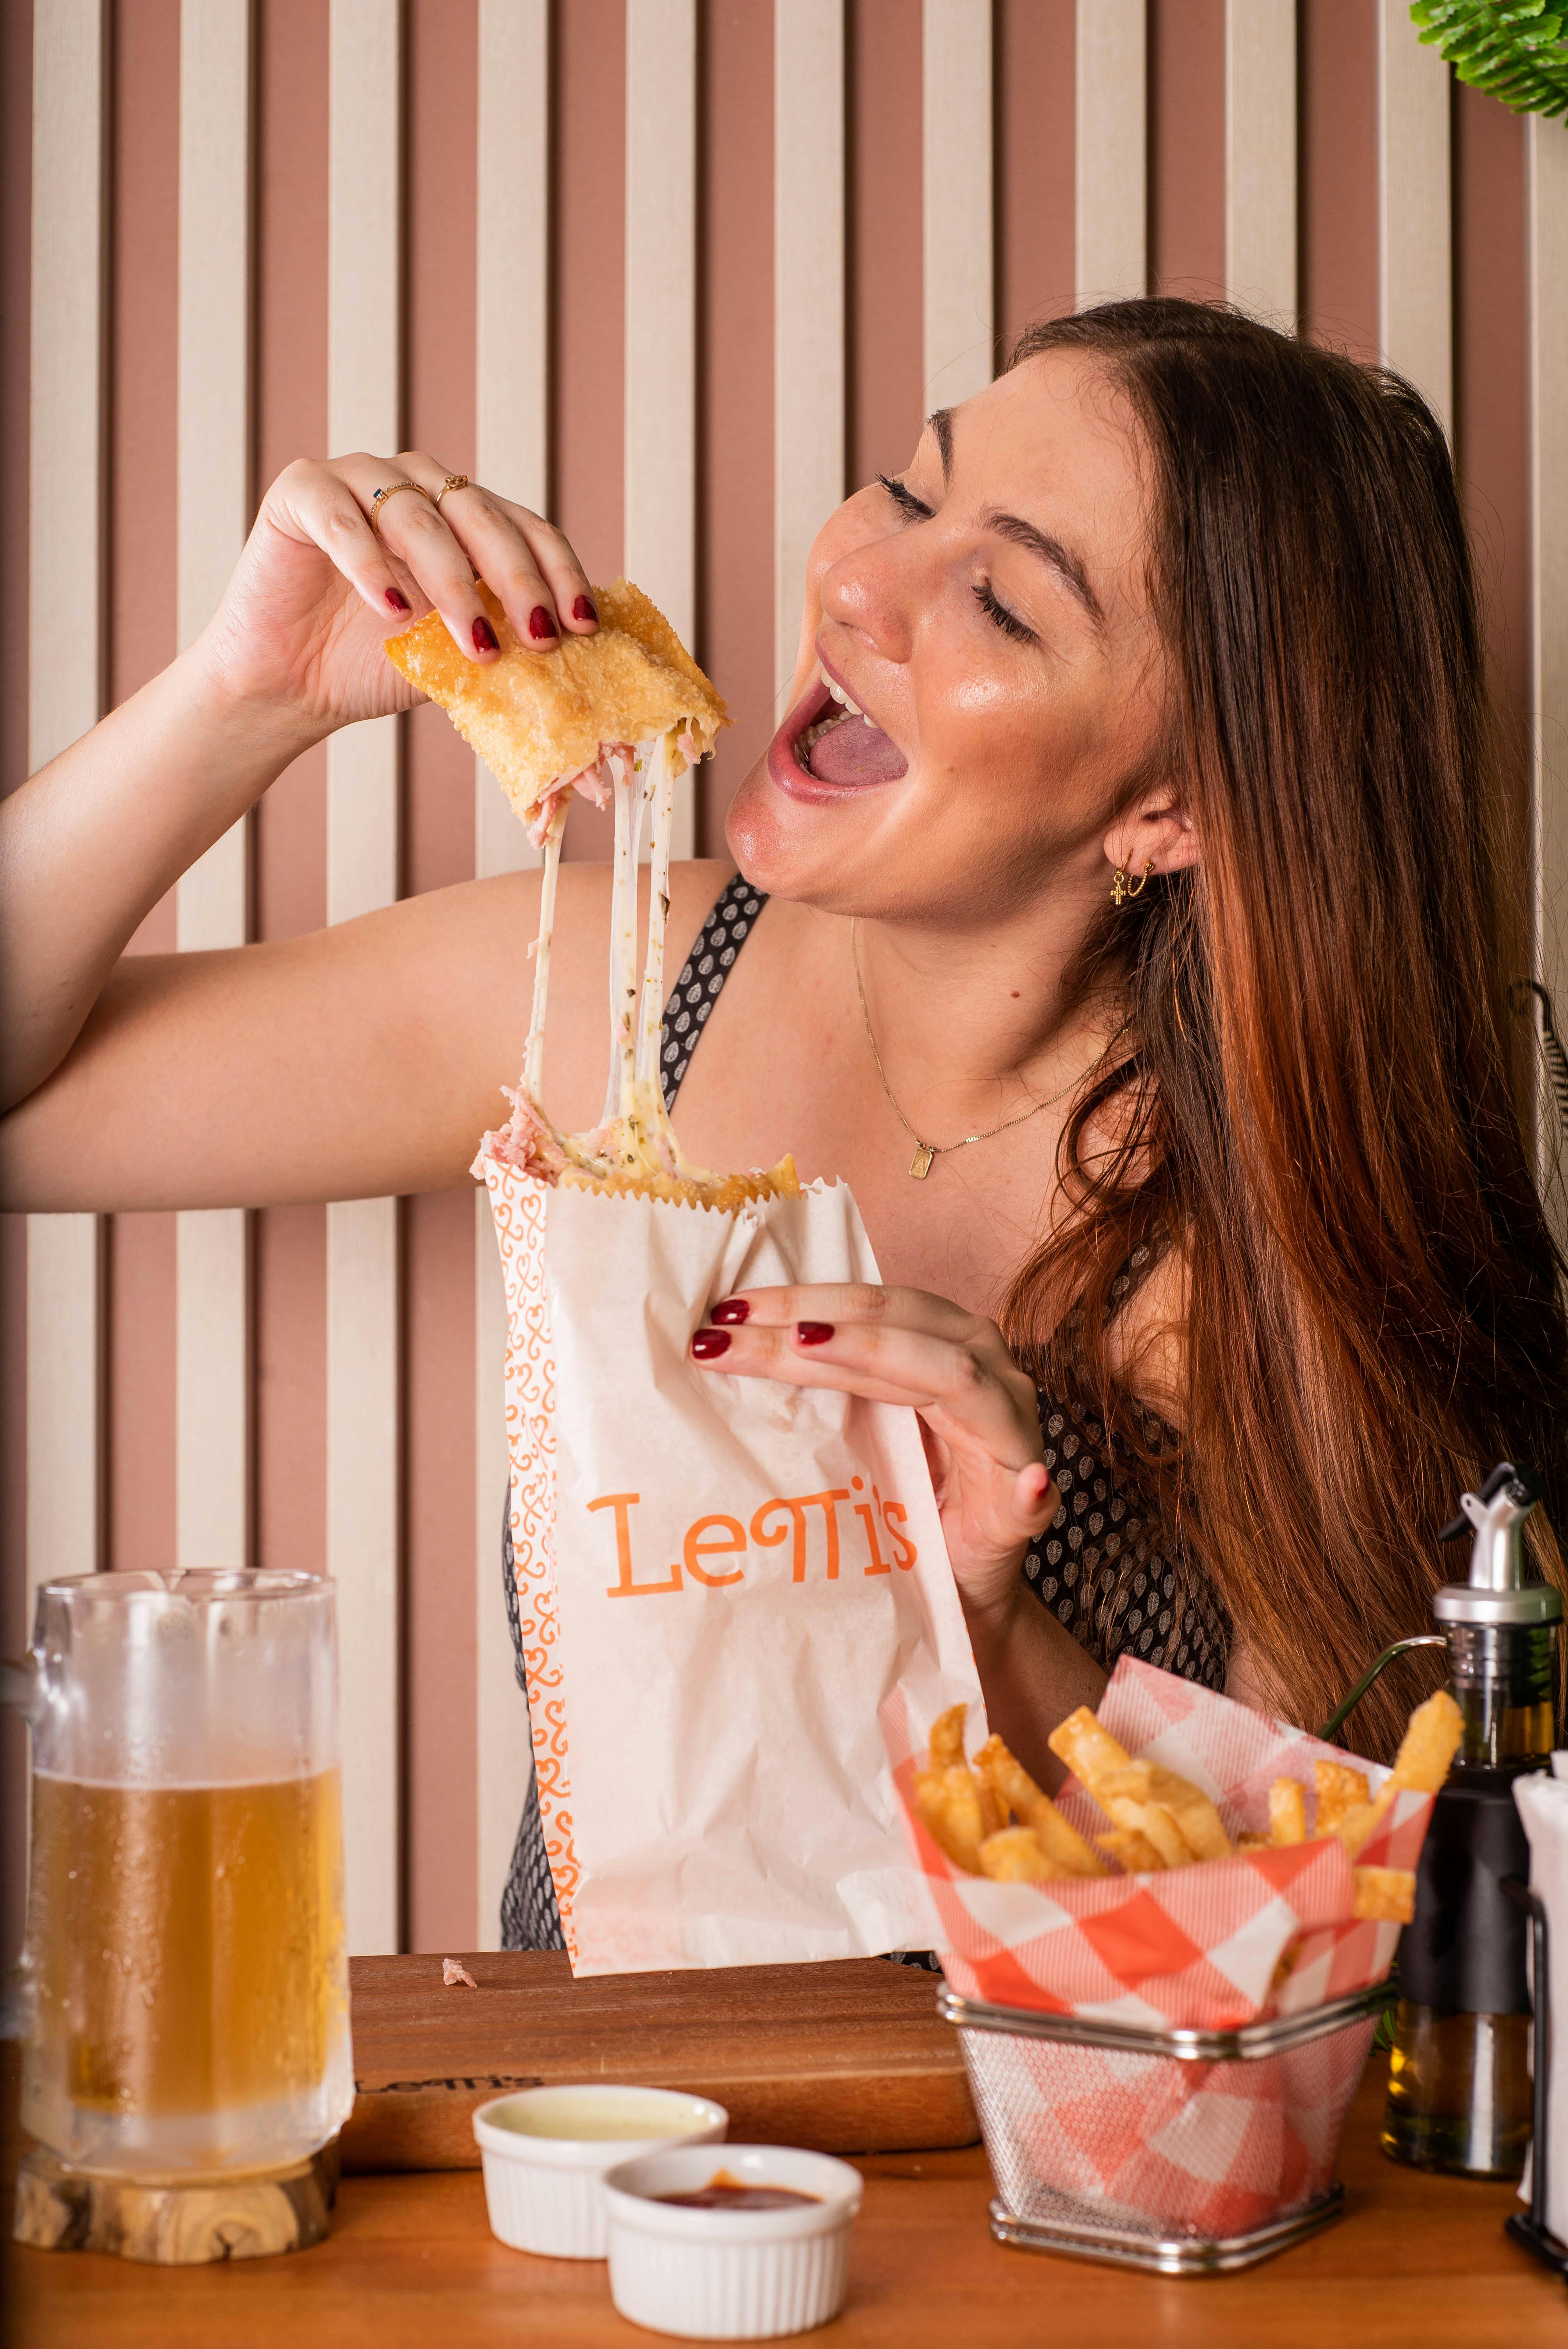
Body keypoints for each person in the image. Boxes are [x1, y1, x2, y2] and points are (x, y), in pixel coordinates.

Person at [5, 300, 1563, 1923]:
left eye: (1004, 604)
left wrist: (985, 1609)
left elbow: (1299, 1941)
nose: (852, 582)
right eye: (906, 490)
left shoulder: (1262, 1241)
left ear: (1164, 809)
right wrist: (239, 694)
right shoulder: (619, 985)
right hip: (580, 2144)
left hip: (995, 2165)